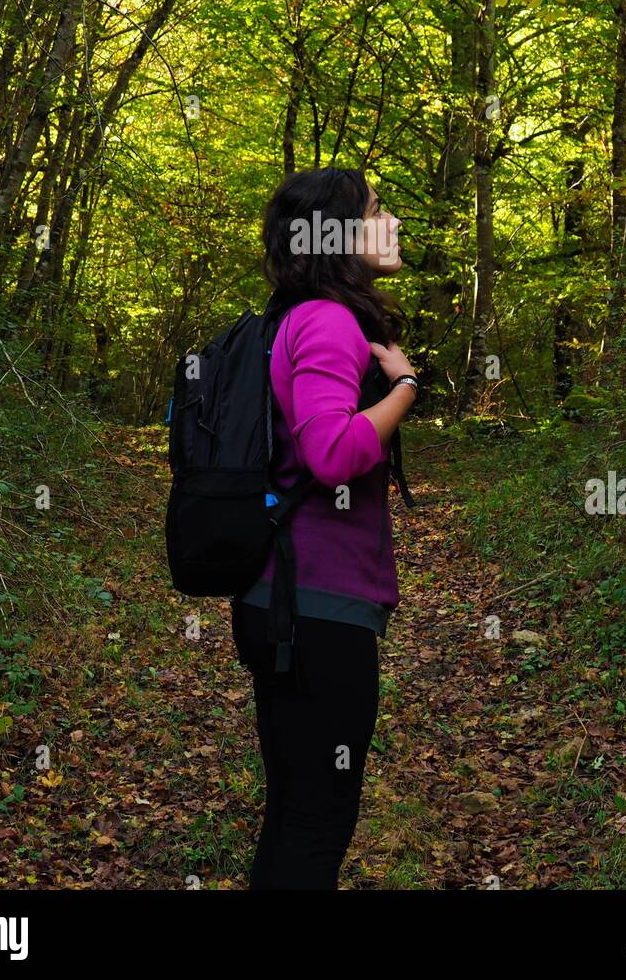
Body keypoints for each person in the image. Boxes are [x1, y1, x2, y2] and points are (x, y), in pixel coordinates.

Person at [231, 166, 417, 890]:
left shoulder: (291, 315)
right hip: (313, 609)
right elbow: (333, 453)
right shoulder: (329, 322)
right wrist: (404, 387)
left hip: (284, 601)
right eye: (377, 210)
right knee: (318, 816)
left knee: (295, 807)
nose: (394, 221)